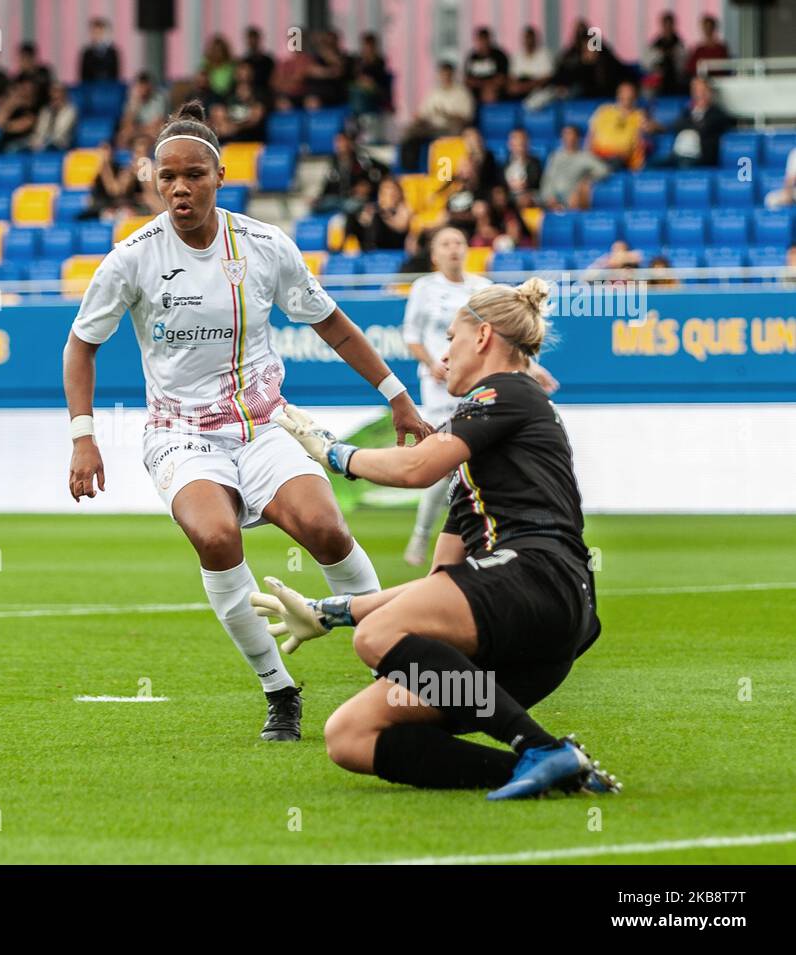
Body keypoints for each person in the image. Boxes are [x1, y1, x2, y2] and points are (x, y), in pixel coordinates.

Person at [63, 101, 430, 742]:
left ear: (220, 175)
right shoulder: (131, 258)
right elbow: (80, 346)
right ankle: (279, 689)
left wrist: (397, 394)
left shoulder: (264, 246)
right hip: (181, 434)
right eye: (167, 176)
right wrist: (83, 437)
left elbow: (334, 326)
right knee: (215, 537)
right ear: (153, 180)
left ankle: (394, 667)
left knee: (323, 526)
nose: (180, 187)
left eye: (194, 174)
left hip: (264, 424)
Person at [252, 277, 619, 800]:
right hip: (532, 621)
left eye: (451, 337)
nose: (442, 354)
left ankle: (541, 748)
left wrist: (333, 453)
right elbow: (441, 584)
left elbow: (418, 467)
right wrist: (328, 610)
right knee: (350, 736)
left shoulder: (509, 391)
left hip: (541, 582)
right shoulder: (479, 458)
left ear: (483, 336)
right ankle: (548, 774)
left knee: (377, 637)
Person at [399, 227, 492, 564]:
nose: (454, 249)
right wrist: (431, 363)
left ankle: (476, 539)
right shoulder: (424, 288)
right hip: (438, 388)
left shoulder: (482, 287)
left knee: (475, 464)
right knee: (445, 462)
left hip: (474, 385)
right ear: (434, 255)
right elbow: (411, 336)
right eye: (446, 244)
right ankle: (422, 534)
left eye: (459, 242)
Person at [399, 62, 474, 171]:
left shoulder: (462, 93)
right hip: (431, 127)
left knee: (455, 128)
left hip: (451, 128)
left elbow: (466, 118)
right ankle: (409, 169)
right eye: (442, 74)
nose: (445, 77)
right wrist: (418, 120)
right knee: (410, 131)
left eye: (447, 74)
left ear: (453, 74)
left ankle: (446, 172)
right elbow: (422, 113)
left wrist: (447, 114)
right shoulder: (434, 93)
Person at [654, 76, 733, 167]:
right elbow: (677, 126)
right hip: (676, 157)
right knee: (652, 167)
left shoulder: (717, 114)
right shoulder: (687, 112)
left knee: (684, 168)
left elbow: (704, 128)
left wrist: (691, 124)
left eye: (703, 90)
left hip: (699, 159)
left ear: (710, 92)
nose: (700, 94)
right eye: (696, 90)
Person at [539, 124, 609, 209]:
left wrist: (586, 180)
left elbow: (604, 170)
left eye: (571, 134)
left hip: (572, 202)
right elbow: (547, 179)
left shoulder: (585, 156)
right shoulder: (555, 157)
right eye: (565, 135)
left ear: (577, 137)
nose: (568, 138)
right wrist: (549, 198)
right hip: (551, 202)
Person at [587, 80, 649, 170]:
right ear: (618, 95)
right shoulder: (604, 110)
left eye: (630, 93)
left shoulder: (639, 115)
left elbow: (646, 134)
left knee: (613, 162)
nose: (627, 96)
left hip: (620, 157)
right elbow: (591, 134)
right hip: (598, 154)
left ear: (635, 96)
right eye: (624, 93)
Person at [117, 71, 167, 147]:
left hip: (151, 131)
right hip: (139, 130)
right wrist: (136, 104)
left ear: (150, 86)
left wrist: (138, 130)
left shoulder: (159, 98)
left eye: (145, 86)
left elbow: (158, 122)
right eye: (140, 86)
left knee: (156, 131)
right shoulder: (132, 99)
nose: (143, 90)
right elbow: (126, 123)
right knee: (123, 135)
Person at [643, 11, 686, 96]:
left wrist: (673, 55)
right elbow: (646, 64)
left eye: (670, 25)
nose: (667, 28)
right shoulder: (655, 45)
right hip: (658, 79)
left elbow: (683, 66)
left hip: (676, 78)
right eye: (665, 25)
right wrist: (660, 55)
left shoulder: (680, 45)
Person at [463, 27, 510, 104]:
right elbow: (467, 80)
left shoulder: (499, 55)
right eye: (480, 40)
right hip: (477, 89)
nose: (482, 43)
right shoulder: (472, 57)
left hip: (495, 89)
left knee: (490, 92)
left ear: (489, 40)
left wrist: (487, 85)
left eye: (484, 40)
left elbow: (501, 78)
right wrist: (482, 85)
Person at [507, 25, 553, 100]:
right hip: (520, 89)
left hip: (539, 89)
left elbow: (547, 78)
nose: (528, 41)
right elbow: (512, 77)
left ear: (535, 39)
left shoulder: (545, 55)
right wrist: (518, 86)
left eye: (530, 38)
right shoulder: (517, 56)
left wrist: (527, 86)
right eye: (526, 38)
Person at [30, 81, 78, 151]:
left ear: (64, 95)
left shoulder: (71, 110)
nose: (55, 98)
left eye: (57, 94)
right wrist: (37, 141)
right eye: (52, 97)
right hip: (42, 143)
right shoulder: (46, 110)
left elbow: (61, 133)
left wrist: (44, 142)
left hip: (62, 144)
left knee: (51, 145)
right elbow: (40, 131)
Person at [501, 128, 542, 207]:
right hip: (509, 195)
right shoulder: (505, 164)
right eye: (516, 143)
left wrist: (524, 185)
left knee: (525, 199)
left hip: (529, 194)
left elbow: (534, 181)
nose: (519, 147)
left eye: (522, 143)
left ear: (527, 144)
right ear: (510, 145)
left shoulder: (534, 162)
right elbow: (501, 183)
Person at [686, 15, 729, 80]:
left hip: (719, 81)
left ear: (714, 28)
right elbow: (690, 67)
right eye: (706, 28)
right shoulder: (699, 49)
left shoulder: (721, 48)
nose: (708, 30)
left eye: (710, 27)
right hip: (703, 82)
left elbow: (725, 67)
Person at [79, 18, 119, 83]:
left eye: (99, 32)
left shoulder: (113, 52)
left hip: (108, 88)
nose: (96, 35)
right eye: (94, 32)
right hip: (90, 88)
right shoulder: (87, 52)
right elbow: (83, 76)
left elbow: (116, 75)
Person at [241, 27, 275, 96]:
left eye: (254, 39)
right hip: (249, 92)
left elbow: (272, 80)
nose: (253, 42)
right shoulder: (244, 61)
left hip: (265, 92)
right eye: (250, 40)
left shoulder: (268, 61)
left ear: (258, 40)